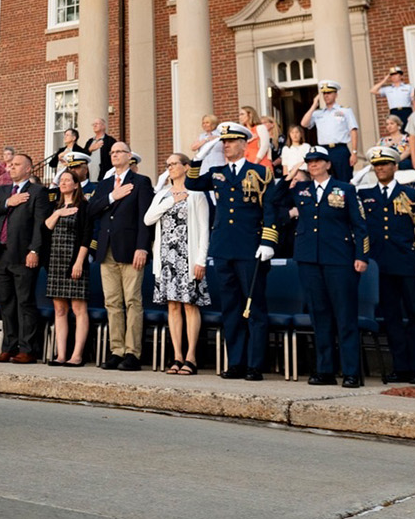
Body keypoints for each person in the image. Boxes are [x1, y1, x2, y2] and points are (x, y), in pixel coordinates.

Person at [183, 121, 274, 380]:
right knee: (231, 308)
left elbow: (270, 209)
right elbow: (192, 184)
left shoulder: (260, 173)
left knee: (254, 308)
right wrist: (199, 157)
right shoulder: (218, 173)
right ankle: (236, 362)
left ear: (244, 144)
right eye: (224, 142)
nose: (226, 145)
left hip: (249, 248)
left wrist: (268, 241)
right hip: (223, 248)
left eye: (231, 141)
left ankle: (255, 364)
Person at [277, 145, 368, 387]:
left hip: (339, 259)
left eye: (318, 160)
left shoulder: (345, 189)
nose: (313, 164)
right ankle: (325, 369)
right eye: (310, 161)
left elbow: (360, 225)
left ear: (328, 164)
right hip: (309, 260)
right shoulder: (301, 190)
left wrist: (362, 255)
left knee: (344, 316)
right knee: (320, 316)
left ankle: (350, 372)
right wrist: (290, 175)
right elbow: (274, 199)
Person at [359, 145, 415, 384]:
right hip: (380, 266)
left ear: (394, 166)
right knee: (391, 319)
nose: (379, 169)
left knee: (414, 317)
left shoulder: (411, 195)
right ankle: (400, 367)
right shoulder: (365, 196)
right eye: (376, 165)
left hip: (408, 264)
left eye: (384, 164)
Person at [83, 139, 152, 371]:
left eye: (118, 151)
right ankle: (117, 350)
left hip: (131, 249)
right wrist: (113, 196)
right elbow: (91, 210)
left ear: (129, 155)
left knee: (132, 301)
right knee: (112, 302)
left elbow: (145, 218)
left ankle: (132, 353)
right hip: (107, 249)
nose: (114, 155)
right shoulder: (104, 185)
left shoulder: (141, 182)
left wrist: (142, 247)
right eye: (112, 152)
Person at [145, 152, 209, 375]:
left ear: (185, 167)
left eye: (174, 164)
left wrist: (200, 260)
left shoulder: (197, 195)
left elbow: (203, 231)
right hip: (166, 259)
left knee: (190, 306)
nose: (170, 167)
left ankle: (191, 356)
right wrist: (172, 200)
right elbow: (148, 219)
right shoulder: (162, 195)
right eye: (168, 164)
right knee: (172, 306)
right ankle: (177, 355)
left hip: (188, 257)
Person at [0, 152, 49, 364]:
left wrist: (34, 250)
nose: (11, 167)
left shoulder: (38, 191)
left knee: (25, 302)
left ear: (29, 168)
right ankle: (8, 348)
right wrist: (8, 203)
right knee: (6, 303)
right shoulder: (3, 191)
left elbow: (40, 224)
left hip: (23, 254)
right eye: (10, 165)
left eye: (17, 164)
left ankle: (28, 349)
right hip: (1, 253)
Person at [42, 161, 94, 367]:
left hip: (74, 260)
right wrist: (57, 213)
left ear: (75, 185)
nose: (63, 183)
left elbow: (86, 236)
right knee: (60, 309)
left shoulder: (83, 206)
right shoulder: (54, 205)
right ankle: (61, 354)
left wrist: (79, 262)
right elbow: (45, 228)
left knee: (78, 308)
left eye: (67, 180)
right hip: (55, 261)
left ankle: (77, 355)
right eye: (61, 180)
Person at [307, 83, 360, 181]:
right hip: (324, 150)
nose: (326, 95)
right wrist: (314, 105)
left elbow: (353, 131)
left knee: (344, 179)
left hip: (340, 149)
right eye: (324, 93)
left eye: (329, 93)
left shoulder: (345, 110)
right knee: (325, 180)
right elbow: (304, 123)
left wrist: (354, 152)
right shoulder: (318, 113)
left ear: (336, 94)